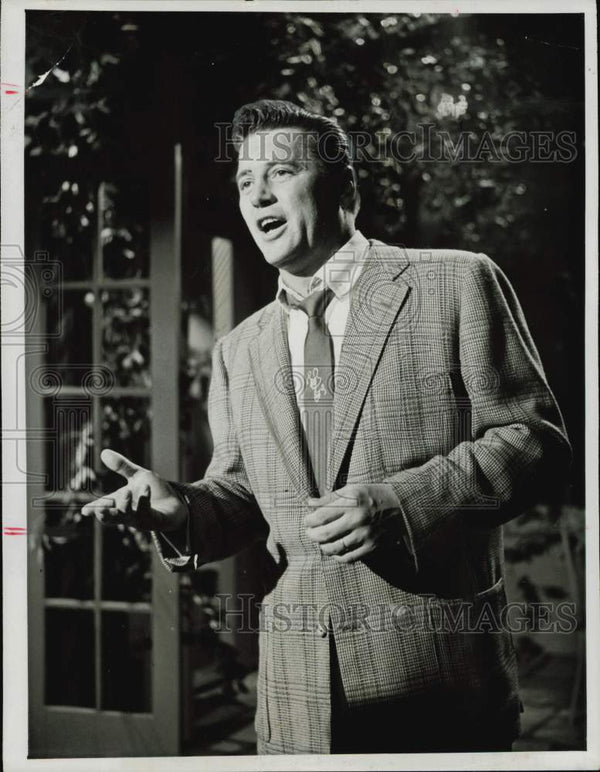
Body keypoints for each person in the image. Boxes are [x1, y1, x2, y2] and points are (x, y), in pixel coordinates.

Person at [83, 99, 571, 755]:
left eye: (281, 172)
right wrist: (182, 510)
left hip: (439, 687)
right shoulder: (239, 350)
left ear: (346, 190)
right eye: (245, 181)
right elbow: (244, 494)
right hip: (295, 702)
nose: (258, 194)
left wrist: (404, 504)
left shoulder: (456, 283)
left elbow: (534, 442)